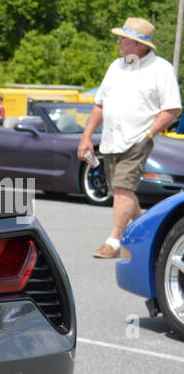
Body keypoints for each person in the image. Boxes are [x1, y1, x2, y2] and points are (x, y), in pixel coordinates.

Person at [78, 18, 182, 258]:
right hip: (111, 141)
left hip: (137, 140)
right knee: (120, 193)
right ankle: (147, 232)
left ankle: (114, 242)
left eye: (123, 38)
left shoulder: (161, 69)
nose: (118, 41)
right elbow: (99, 105)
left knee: (123, 188)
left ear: (138, 44)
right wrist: (86, 137)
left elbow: (172, 109)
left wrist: (148, 133)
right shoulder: (116, 67)